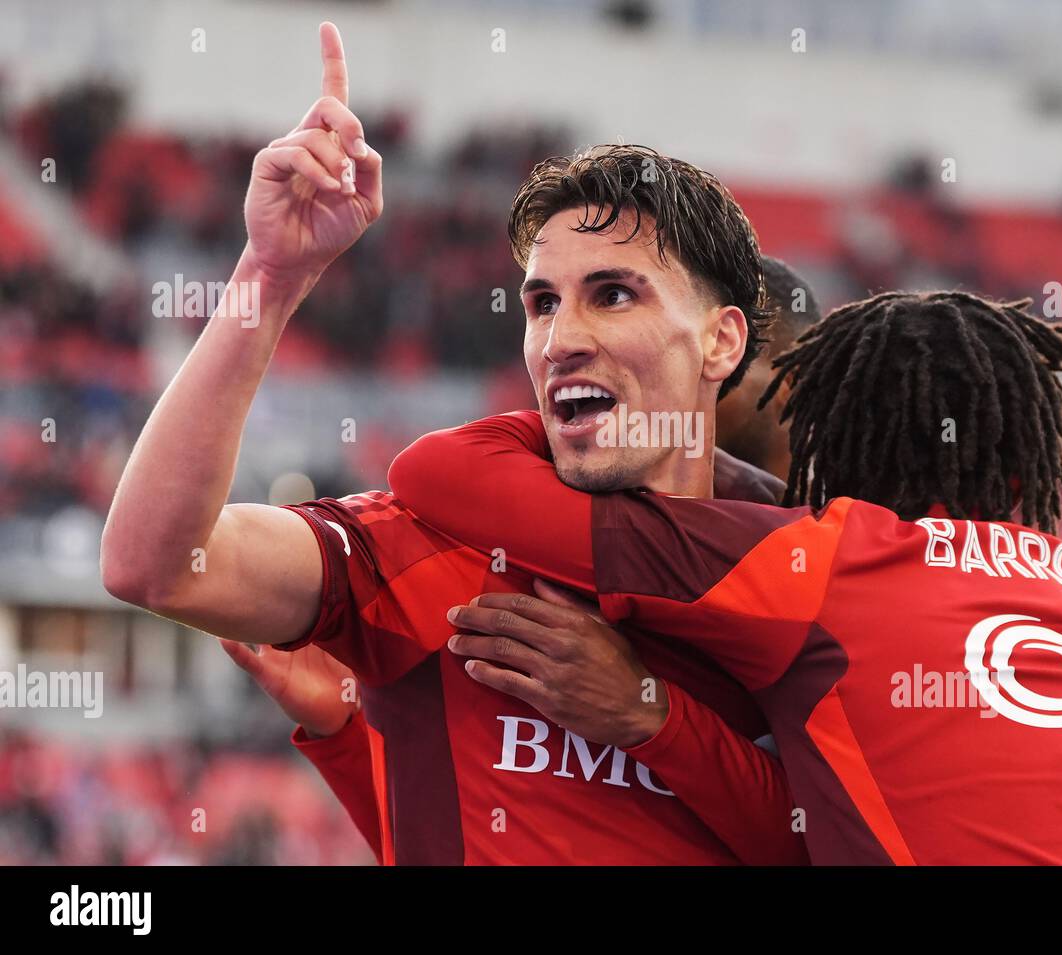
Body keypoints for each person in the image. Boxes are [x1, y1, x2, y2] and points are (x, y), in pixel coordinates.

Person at [101, 21, 806, 865]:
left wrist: (652, 716)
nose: (561, 339)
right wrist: (270, 275)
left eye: (613, 295)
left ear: (723, 343)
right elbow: (156, 563)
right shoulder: (437, 541)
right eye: (542, 303)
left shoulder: (801, 582)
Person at [388, 291, 1062, 865]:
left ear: (825, 460)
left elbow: (438, 472)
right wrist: (657, 717)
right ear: (1028, 474)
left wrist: (719, 471)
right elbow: (813, 830)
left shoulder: (823, 558)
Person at [224, 256, 822, 863]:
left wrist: (652, 715)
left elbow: (820, 849)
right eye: (545, 307)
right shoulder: (521, 553)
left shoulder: (828, 585)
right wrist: (351, 744)